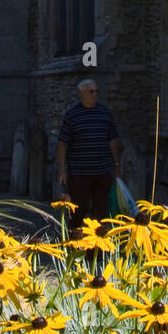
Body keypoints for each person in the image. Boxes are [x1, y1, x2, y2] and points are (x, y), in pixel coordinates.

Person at [56, 79, 121, 227]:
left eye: (96, 91)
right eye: (91, 91)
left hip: (102, 172)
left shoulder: (105, 113)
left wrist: (116, 165)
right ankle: (74, 245)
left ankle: (97, 248)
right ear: (81, 94)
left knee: (100, 213)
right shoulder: (72, 115)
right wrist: (62, 170)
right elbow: (62, 143)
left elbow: (112, 140)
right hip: (79, 173)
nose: (94, 94)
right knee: (78, 212)